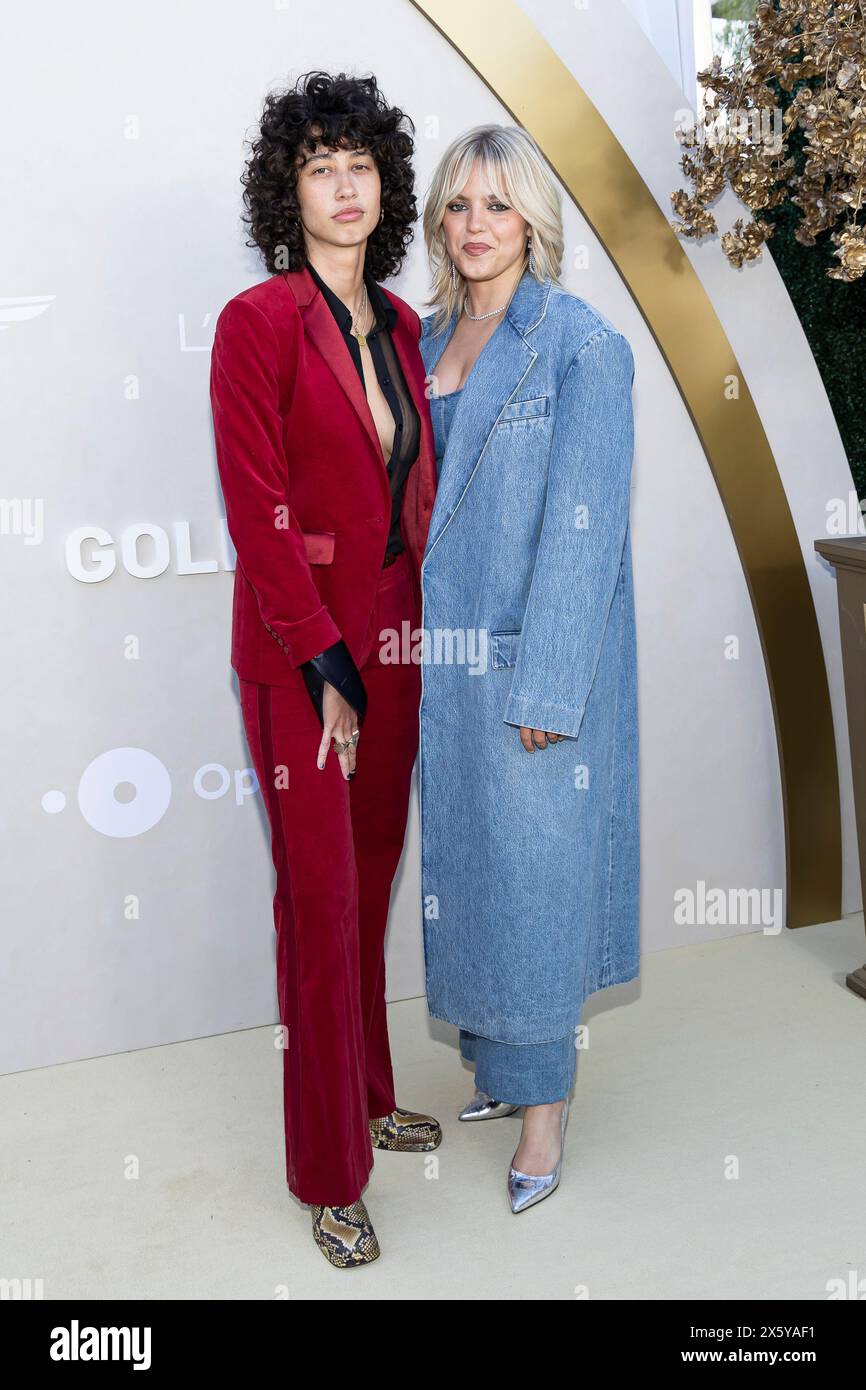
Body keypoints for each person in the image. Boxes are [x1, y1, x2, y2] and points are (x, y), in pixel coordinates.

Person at [209, 70, 438, 1267]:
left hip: (394, 641)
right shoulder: (256, 323)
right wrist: (324, 660)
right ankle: (327, 1175)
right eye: (319, 166)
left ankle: (367, 1094)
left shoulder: (400, 326)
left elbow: (414, 507)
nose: (344, 186)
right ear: (286, 190)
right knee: (316, 905)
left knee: (368, 882)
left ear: (384, 186)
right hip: (303, 655)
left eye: (361, 166)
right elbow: (259, 513)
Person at [418, 124, 639, 1212]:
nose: (474, 226)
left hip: (529, 666)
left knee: (539, 881)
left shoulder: (581, 344)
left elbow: (584, 534)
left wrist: (549, 682)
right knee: (473, 874)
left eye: (497, 206)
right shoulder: (415, 341)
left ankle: (542, 1116)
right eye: (458, 205)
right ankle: (499, 1074)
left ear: (532, 223)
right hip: (438, 667)